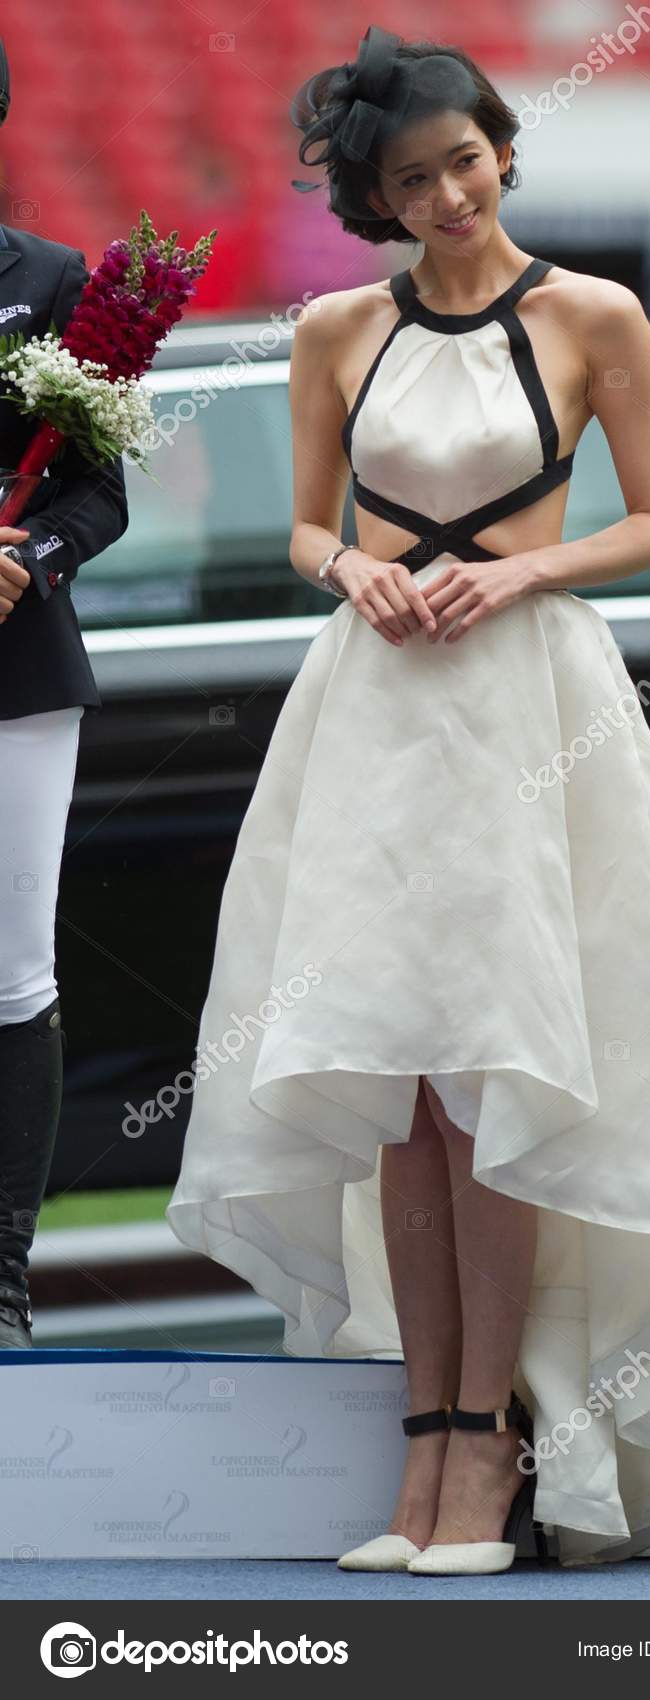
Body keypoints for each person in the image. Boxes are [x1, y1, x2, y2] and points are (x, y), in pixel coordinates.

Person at [165, 25, 650, 1574]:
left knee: (498, 1076)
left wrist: (520, 571)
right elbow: (307, 531)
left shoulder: (596, 314)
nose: (449, 194)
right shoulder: (329, 330)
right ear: (377, 200)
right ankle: (427, 1448)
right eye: (412, 180)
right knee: (395, 1084)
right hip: (373, 711)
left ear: (504, 145)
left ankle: (496, 1449)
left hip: (532, 707)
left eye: (464, 160)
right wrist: (357, 570)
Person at [0, 36, 130, 1348]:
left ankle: (2, 1284)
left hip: (11, 681)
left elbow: (98, 489)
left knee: (7, 980)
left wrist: (26, 554)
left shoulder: (46, 282)